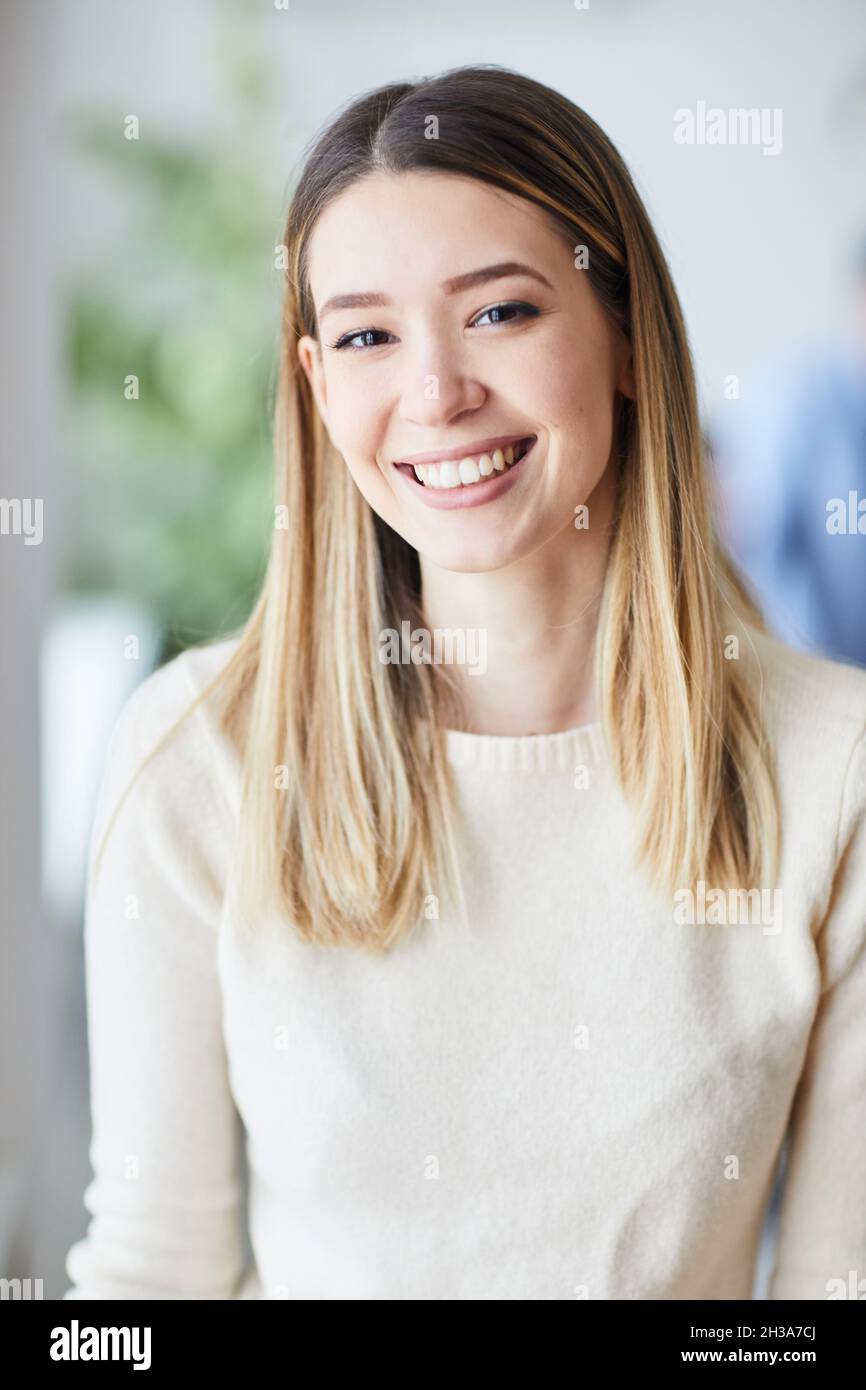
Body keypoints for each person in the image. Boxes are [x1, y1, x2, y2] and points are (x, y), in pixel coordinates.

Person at [65, 64, 866, 1301]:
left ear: (626, 339)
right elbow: (148, 1284)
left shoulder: (834, 768)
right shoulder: (199, 753)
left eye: (498, 312)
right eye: (367, 334)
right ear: (319, 386)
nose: (435, 392)